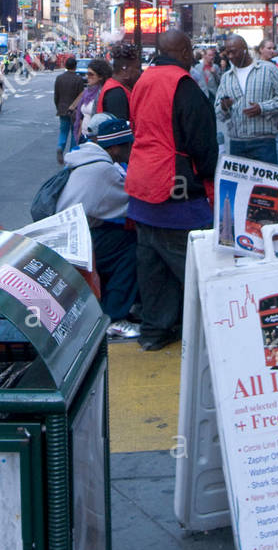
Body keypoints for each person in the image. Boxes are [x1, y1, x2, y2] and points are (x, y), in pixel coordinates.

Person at [125, 29, 218, 352]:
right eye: (190, 48)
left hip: (142, 185)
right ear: (181, 50)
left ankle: (155, 331)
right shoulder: (184, 85)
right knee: (193, 269)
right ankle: (213, 331)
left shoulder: (144, 81)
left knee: (152, 269)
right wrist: (208, 177)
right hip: (175, 191)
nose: (192, 55)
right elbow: (203, 144)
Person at [58, 113, 140, 331]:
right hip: (78, 240)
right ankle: (114, 316)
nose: (131, 150)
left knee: (122, 237)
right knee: (134, 249)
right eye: (127, 146)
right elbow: (132, 202)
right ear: (114, 148)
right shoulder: (103, 169)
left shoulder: (86, 158)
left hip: (68, 232)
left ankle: (114, 304)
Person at [215, 34, 278, 164]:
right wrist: (223, 106)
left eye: (234, 52)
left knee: (265, 184)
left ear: (245, 49)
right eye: (228, 53)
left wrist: (262, 108)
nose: (231, 56)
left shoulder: (268, 69)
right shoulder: (227, 77)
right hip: (237, 143)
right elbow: (219, 113)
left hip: (264, 142)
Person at [96, 42, 141, 121]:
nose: (139, 72)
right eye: (137, 68)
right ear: (125, 70)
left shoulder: (114, 87)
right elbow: (120, 129)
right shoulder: (116, 93)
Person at [53, 55, 85, 164]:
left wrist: (58, 106)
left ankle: (60, 147)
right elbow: (81, 98)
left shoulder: (59, 78)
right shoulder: (78, 79)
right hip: (75, 111)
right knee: (74, 132)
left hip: (62, 109)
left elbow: (56, 96)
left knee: (63, 131)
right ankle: (72, 153)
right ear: (75, 67)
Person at [71, 58, 110, 146]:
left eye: (91, 74)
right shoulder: (86, 93)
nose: (87, 76)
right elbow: (81, 116)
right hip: (83, 137)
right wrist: (79, 135)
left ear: (101, 76)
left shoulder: (103, 93)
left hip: (95, 139)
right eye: (87, 73)